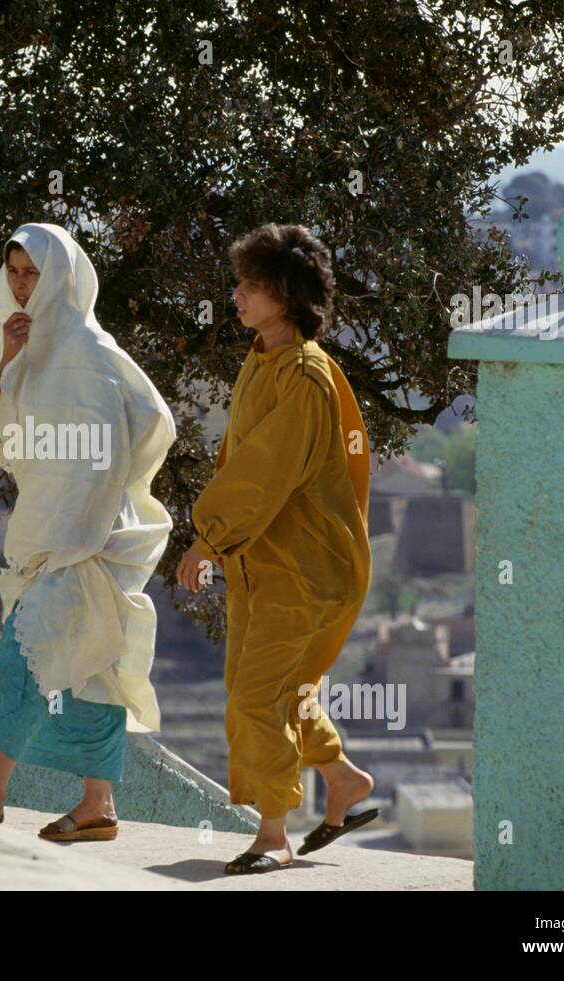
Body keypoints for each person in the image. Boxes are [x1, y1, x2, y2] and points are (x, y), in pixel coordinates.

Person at [0, 223, 176, 840]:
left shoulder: (94, 354)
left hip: (90, 539)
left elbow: (140, 430)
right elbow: (0, 440)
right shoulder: (31, 346)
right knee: (93, 665)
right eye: (15, 273)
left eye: (35, 273)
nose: (24, 286)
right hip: (46, 531)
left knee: (24, 656)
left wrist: (90, 523)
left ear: (62, 276)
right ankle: (97, 807)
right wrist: (6, 363)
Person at [175, 223, 376, 873]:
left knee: (257, 695)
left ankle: (274, 834)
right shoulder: (264, 359)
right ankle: (343, 780)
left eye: (250, 284)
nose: (236, 294)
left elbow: (263, 471)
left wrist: (207, 540)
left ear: (285, 293)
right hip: (266, 566)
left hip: (306, 570)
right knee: (267, 688)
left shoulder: (305, 376)